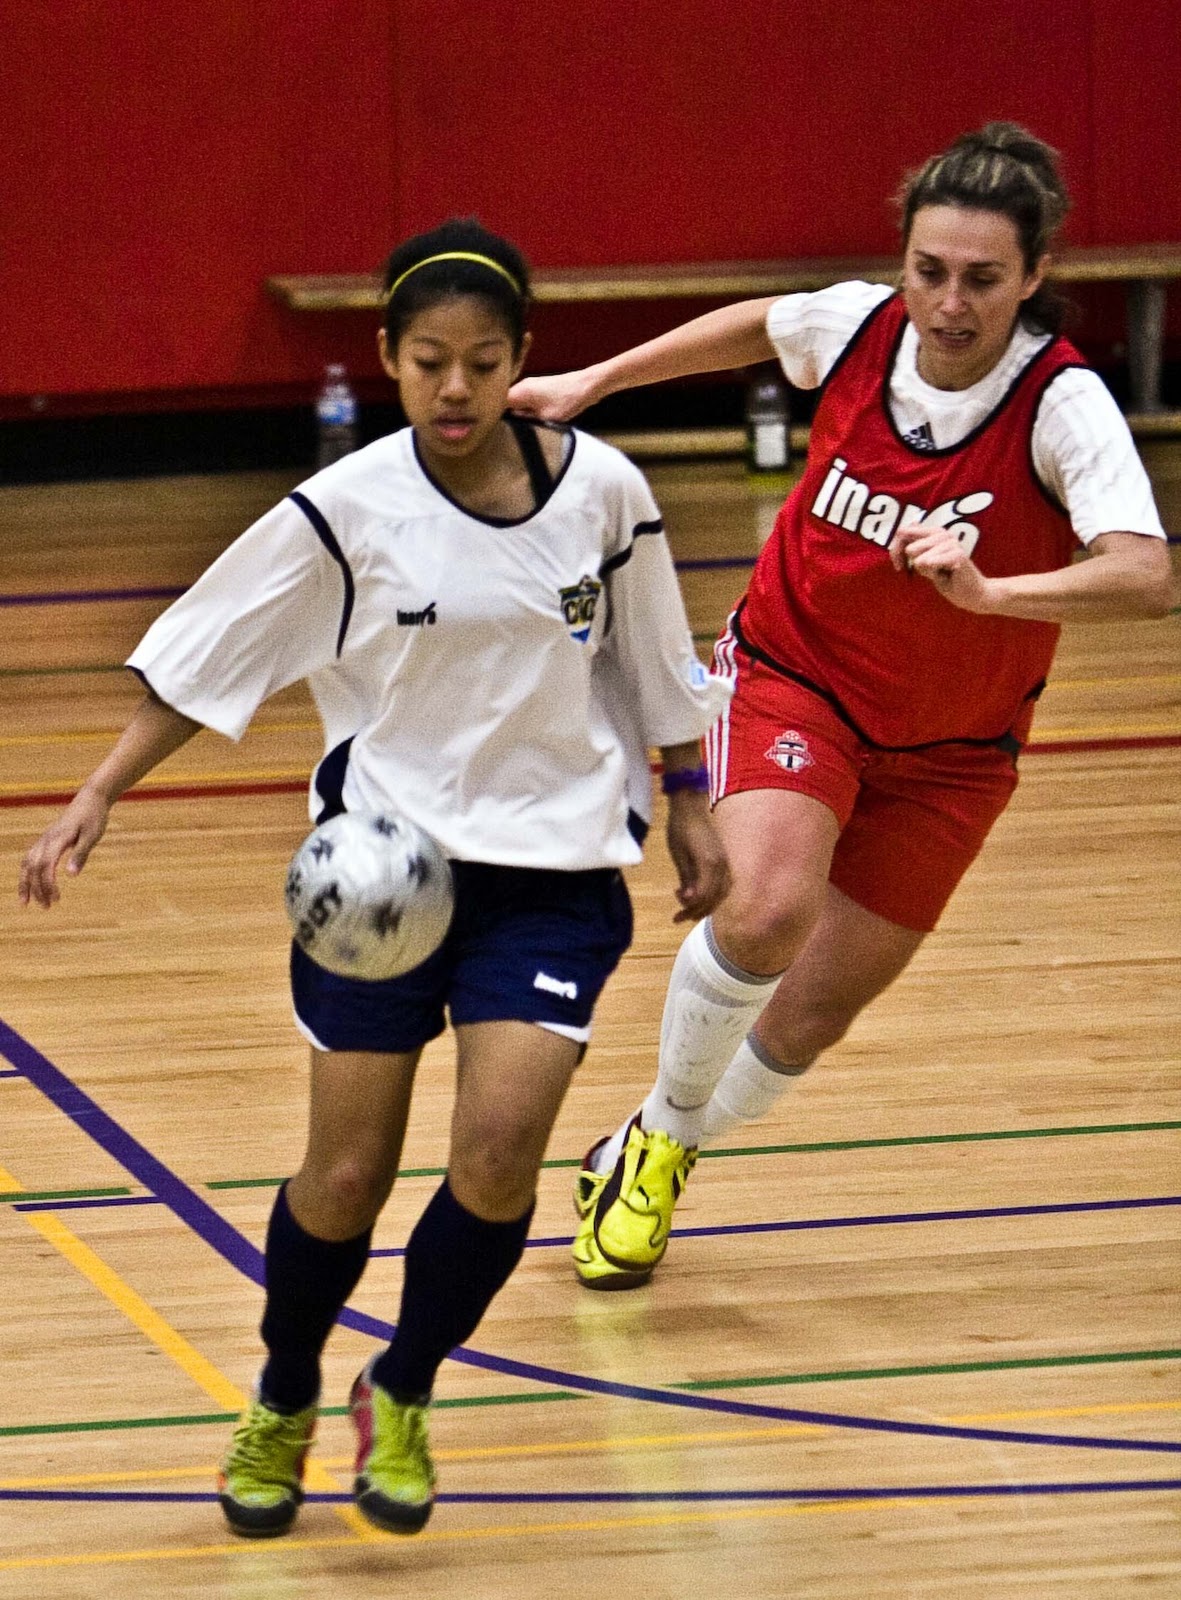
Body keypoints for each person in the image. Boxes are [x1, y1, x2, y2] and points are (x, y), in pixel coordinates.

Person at [18, 218, 732, 1537]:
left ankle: (399, 1387)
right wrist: (100, 791)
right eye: (426, 364)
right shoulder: (345, 514)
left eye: (480, 362)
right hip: (382, 882)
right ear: (390, 365)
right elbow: (209, 654)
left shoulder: (607, 495)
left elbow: (651, 656)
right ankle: (285, 1390)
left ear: (521, 360)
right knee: (345, 1179)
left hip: (554, 873)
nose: (453, 390)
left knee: (502, 1153)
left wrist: (689, 803)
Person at [508, 122, 1176, 1292]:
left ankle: (651, 1144)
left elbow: (1143, 572)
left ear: (1029, 280)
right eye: (930, 271)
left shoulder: (1060, 404)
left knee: (802, 1025)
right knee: (764, 910)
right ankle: (661, 1139)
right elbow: (753, 326)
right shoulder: (858, 325)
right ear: (903, 262)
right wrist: (595, 381)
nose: (948, 303)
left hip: (956, 749)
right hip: (795, 674)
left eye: (980, 279)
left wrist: (991, 591)